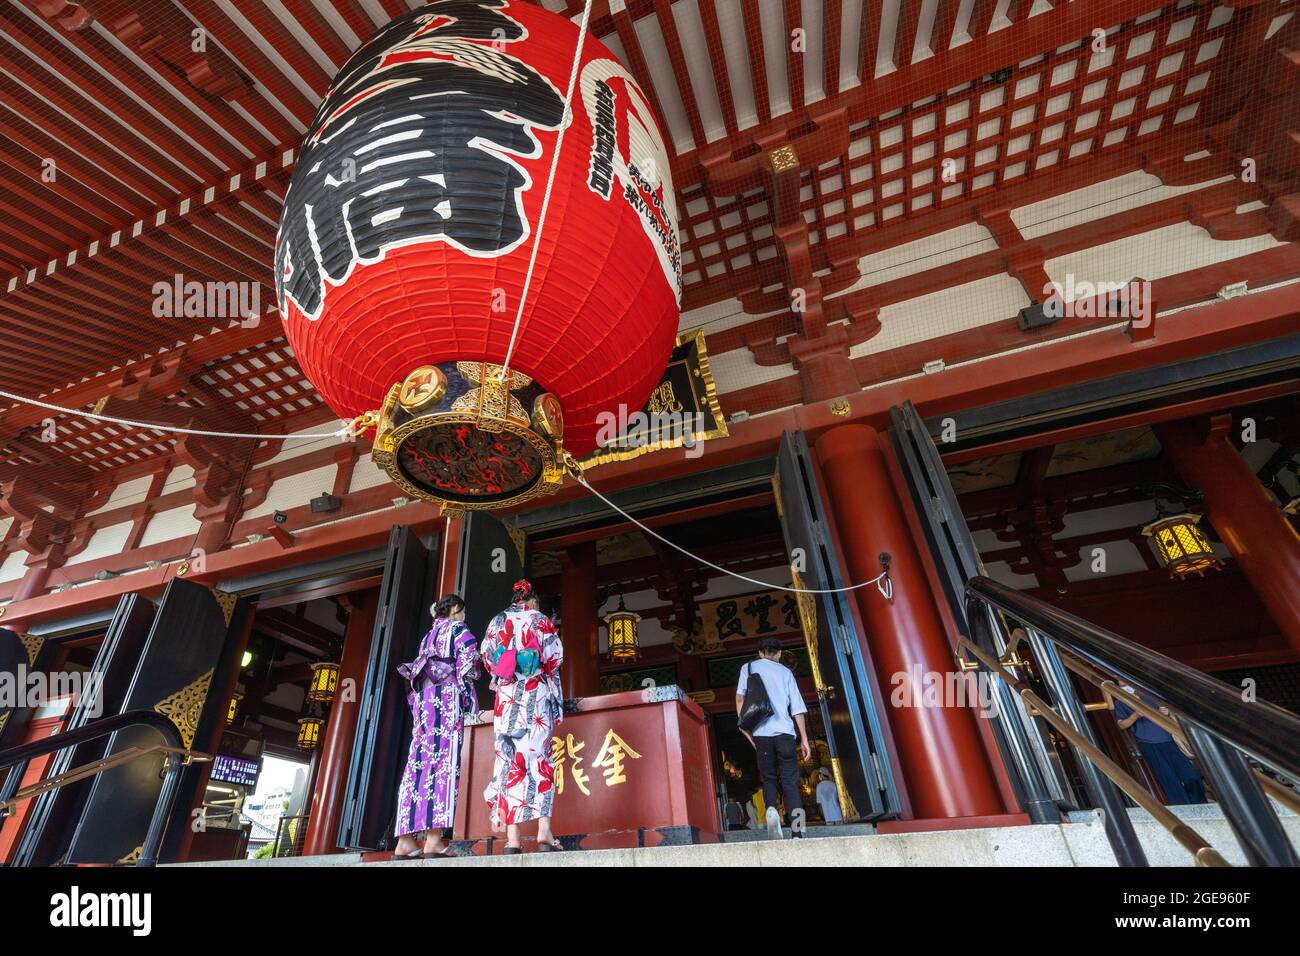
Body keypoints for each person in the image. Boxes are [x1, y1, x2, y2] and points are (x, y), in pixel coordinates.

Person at [392, 593, 480, 859]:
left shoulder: (426, 638)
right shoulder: (459, 630)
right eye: (461, 610)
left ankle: (405, 841)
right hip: (448, 701)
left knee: (417, 766)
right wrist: (470, 702)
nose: (464, 616)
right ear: (454, 610)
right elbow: (469, 668)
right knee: (443, 764)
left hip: (424, 704)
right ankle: (433, 840)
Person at [481, 579, 565, 853]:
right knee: (540, 759)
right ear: (531, 602)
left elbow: (487, 658)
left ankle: (513, 840)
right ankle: (544, 833)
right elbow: (554, 658)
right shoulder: (541, 621)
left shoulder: (496, 622)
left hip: (507, 698)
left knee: (508, 761)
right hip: (535, 694)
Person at [736, 636, 811, 839]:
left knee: (768, 778)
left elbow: (740, 698)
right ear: (778, 654)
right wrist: (804, 738)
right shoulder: (786, 672)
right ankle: (798, 833)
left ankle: (771, 813)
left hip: (762, 734)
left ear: (760, 652)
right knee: (790, 782)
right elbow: (797, 707)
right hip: (785, 733)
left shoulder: (748, 667)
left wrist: (745, 728)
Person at [1113, 687, 1206, 805]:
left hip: (1170, 740)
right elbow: (1122, 725)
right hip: (1148, 744)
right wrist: (1135, 715)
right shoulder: (1121, 701)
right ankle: (1183, 809)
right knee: (1169, 780)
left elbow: (1170, 712)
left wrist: (1166, 713)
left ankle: (1200, 805)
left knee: (1191, 775)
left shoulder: (1151, 695)